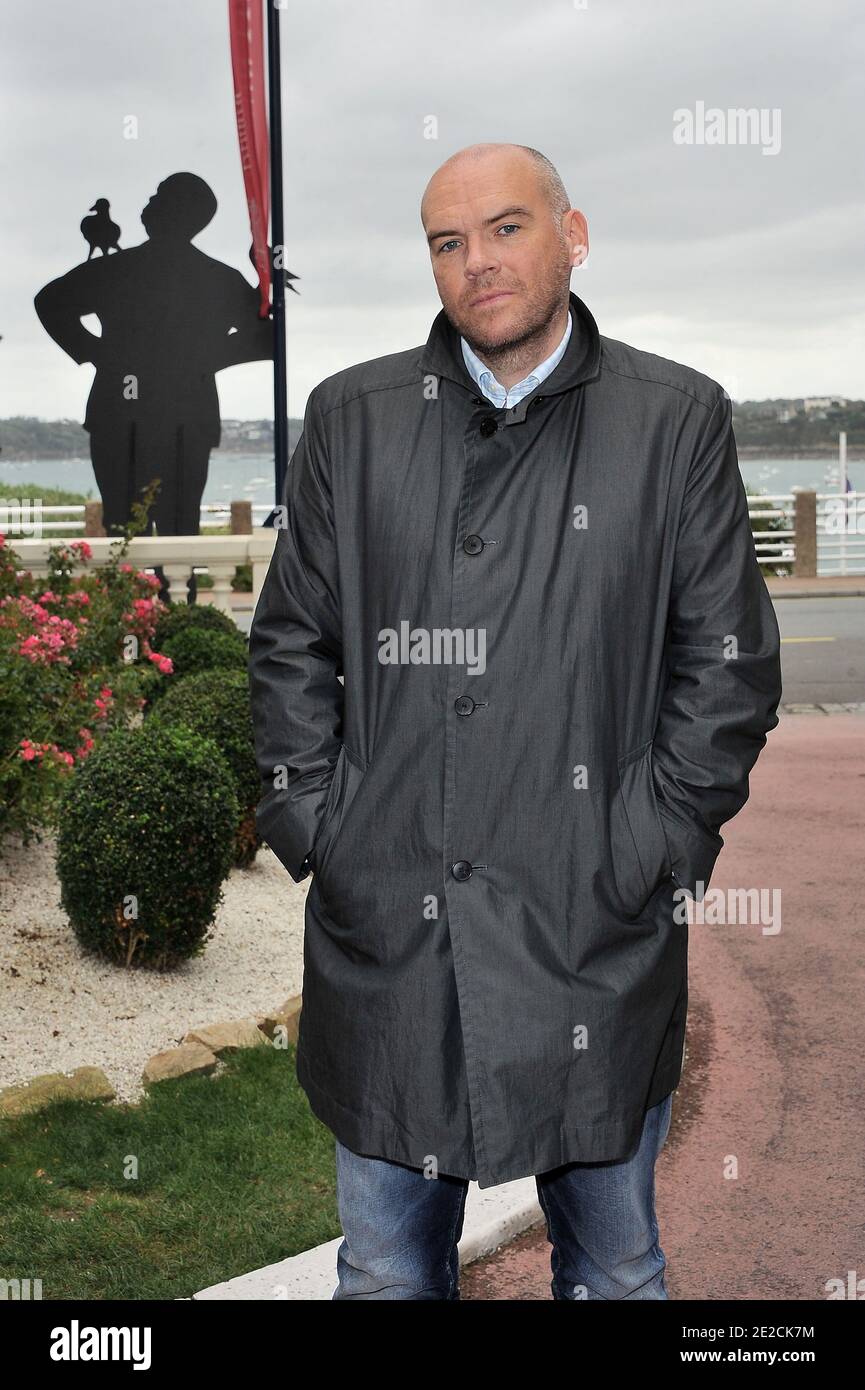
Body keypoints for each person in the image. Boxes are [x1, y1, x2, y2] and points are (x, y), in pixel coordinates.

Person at [247, 142, 783, 1300]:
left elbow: (728, 669)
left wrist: (649, 847)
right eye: (447, 241)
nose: (476, 261)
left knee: (616, 1269)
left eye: (504, 228)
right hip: (391, 937)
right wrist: (320, 831)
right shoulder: (354, 417)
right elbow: (291, 641)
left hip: (594, 934)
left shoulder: (673, 419)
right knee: (387, 1273)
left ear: (571, 235)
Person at [35, 172, 273, 602]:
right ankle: (169, 619)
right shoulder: (216, 277)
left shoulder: (118, 269)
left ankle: (139, 620)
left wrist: (99, 352)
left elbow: (50, 301)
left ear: (177, 211)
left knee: (133, 530)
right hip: (163, 412)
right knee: (171, 527)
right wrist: (205, 356)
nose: (148, 200)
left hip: (133, 412)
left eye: (160, 196)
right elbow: (263, 336)